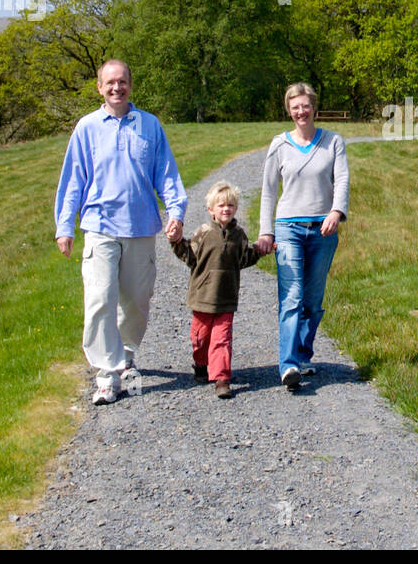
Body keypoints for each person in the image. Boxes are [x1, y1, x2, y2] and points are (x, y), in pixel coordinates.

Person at [54, 60, 186, 405]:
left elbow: (166, 173)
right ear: (100, 87)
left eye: (122, 81)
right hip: (99, 226)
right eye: (110, 82)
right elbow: (72, 180)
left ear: (130, 85)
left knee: (137, 300)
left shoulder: (149, 125)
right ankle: (107, 375)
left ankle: (126, 353)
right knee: (100, 299)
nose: (117, 88)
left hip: (141, 227)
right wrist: (65, 226)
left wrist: (176, 211)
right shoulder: (87, 127)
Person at [257, 83, 348, 390]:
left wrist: (336, 212)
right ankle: (289, 364)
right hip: (289, 228)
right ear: (289, 110)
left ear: (314, 108)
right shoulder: (279, 144)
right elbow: (269, 191)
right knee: (292, 297)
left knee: (313, 300)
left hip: (322, 228)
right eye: (295, 107)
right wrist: (266, 231)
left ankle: (303, 354)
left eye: (305, 106)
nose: (301, 111)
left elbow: (342, 180)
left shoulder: (333, 141)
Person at [168, 180, 265, 399]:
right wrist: (176, 241)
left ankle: (221, 378)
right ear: (211, 209)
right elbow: (189, 256)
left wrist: (260, 251)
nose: (226, 209)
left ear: (236, 209)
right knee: (200, 338)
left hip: (226, 298)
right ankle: (201, 363)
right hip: (202, 297)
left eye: (230, 205)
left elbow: (244, 259)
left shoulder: (239, 236)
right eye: (221, 205)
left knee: (222, 339)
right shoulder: (203, 233)